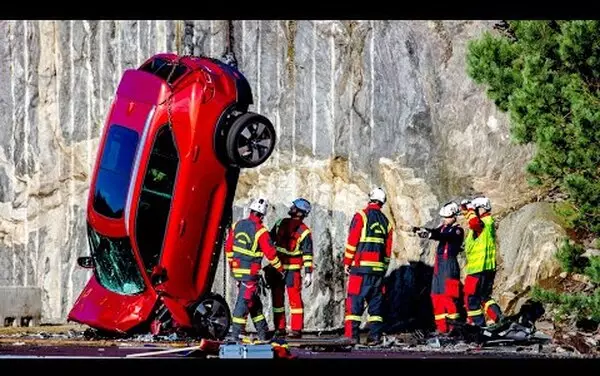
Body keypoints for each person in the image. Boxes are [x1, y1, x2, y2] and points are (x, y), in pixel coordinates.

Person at [224, 197, 284, 341]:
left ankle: (263, 333)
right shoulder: (261, 231)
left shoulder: (237, 225)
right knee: (243, 302)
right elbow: (270, 253)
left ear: (250, 210)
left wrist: (233, 266)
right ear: (262, 215)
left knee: (254, 302)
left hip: (238, 271)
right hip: (250, 273)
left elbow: (228, 248)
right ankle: (236, 334)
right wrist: (280, 268)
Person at [343, 187, 394, 345]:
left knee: (354, 302)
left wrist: (347, 262)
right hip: (377, 271)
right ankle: (375, 336)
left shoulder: (361, 216)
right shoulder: (387, 222)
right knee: (376, 305)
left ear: (370, 198)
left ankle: (351, 336)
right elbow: (387, 250)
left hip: (360, 269)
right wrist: (383, 269)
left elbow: (353, 241)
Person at [412, 201, 464, 335]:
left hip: (449, 267)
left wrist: (430, 235)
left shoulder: (457, 230)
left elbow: (444, 236)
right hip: (439, 268)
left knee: (449, 298)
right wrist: (422, 230)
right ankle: (441, 328)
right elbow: (436, 232)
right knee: (436, 297)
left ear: (454, 216)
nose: (444, 220)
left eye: (447, 217)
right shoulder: (443, 228)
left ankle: (454, 329)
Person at [268, 198, 314, 339]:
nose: (291, 208)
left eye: (294, 207)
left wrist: (308, 272)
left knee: (281, 300)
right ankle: (292, 329)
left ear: (299, 212)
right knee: (291, 300)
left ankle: (283, 328)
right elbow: (307, 253)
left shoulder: (281, 223)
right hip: (290, 270)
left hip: (281, 269)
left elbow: (269, 242)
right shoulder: (303, 230)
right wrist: (307, 273)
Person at [460, 196, 503, 327]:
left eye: (476, 209)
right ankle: (500, 319)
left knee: (470, 298)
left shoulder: (482, 223)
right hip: (487, 269)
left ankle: (478, 326)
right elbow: (471, 220)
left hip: (477, 270)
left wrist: (471, 209)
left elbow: (474, 223)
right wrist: (465, 208)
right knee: (485, 298)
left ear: (481, 209)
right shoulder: (487, 222)